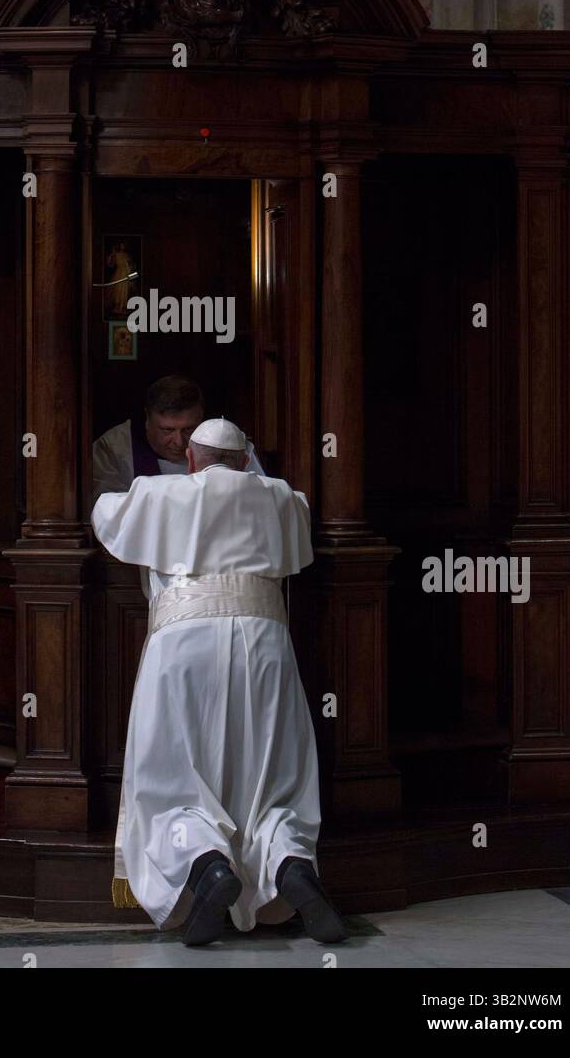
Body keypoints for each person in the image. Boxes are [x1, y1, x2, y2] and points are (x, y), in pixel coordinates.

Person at [90, 416, 349, 947]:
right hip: (265, 642)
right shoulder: (284, 499)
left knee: (174, 776)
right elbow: (299, 545)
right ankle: (291, 866)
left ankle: (207, 865)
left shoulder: (159, 494)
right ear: (244, 458)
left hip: (183, 642)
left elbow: (103, 513)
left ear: (190, 459)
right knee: (274, 777)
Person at [92, 373, 264, 500]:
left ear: (201, 417)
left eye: (188, 429)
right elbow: (108, 512)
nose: (179, 442)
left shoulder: (227, 442)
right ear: (147, 419)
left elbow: (257, 499)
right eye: (167, 430)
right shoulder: (114, 448)